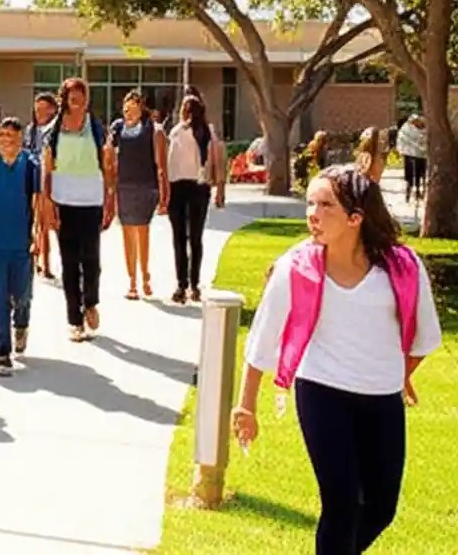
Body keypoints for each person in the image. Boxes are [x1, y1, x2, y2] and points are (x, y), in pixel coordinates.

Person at [232, 165, 442, 555]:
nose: (312, 212)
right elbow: (262, 338)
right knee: (341, 502)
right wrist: (246, 404)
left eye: (325, 204)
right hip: (322, 392)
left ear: (355, 217)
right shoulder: (295, 267)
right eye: (310, 202)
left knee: (381, 507)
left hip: (382, 398)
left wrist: (399, 374)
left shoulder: (403, 267)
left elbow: (424, 339)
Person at [40, 78, 116, 342]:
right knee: (70, 262)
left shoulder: (96, 128)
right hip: (63, 201)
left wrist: (110, 198)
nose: (78, 102)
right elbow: (47, 170)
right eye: (73, 98)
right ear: (65, 100)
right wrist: (48, 203)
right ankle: (74, 320)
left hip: (92, 200)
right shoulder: (52, 131)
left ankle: (91, 302)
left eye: (82, 98)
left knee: (91, 260)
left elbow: (107, 166)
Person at [0, 117, 39, 376]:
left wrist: (39, 237)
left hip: (23, 243)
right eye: (1, 136)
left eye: (11, 136)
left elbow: (37, 202)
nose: (6, 141)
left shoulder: (31, 165)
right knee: (0, 295)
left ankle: (21, 324)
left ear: (20, 139)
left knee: (22, 294)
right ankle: (2, 351)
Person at [165, 94, 225, 304]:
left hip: (178, 188)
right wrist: (220, 188)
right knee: (195, 238)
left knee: (180, 239)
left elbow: (169, 164)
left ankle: (182, 285)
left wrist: (164, 193)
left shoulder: (177, 132)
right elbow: (218, 159)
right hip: (199, 188)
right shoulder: (207, 132)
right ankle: (194, 285)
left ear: (184, 110)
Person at [111, 90, 169, 300]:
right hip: (124, 187)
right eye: (126, 109)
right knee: (127, 233)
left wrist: (164, 193)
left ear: (141, 108)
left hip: (145, 186)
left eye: (133, 108)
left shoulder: (151, 129)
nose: (128, 112)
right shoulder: (117, 128)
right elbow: (109, 155)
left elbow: (160, 164)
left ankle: (145, 275)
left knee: (142, 231)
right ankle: (132, 281)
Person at [25, 91, 58, 280]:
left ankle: (46, 262)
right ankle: (37, 259)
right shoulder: (31, 130)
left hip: (52, 179)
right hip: (33, 179)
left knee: (48, 222)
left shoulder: (56, 130)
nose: (40, 113)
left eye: (45, 109)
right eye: (37, 109)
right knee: (36, 222)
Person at [396, 113, 427, 203]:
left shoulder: (425, 129)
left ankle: (419, 192)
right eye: (414, 121)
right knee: (409, 177)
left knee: (420, 175)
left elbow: (426, 139)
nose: (416, 123)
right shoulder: (406, 129)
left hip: (421, 156)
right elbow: (403, 139)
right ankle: (408, 194)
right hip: (409, 155)